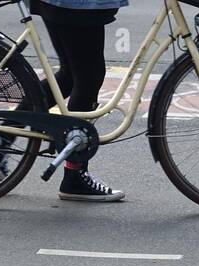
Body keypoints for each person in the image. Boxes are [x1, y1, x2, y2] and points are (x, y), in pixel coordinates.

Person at [34, 0, 128, 201]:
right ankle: (74, 176)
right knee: (88, 78)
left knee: (71, 75)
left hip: (66, 4)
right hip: (78, 5)